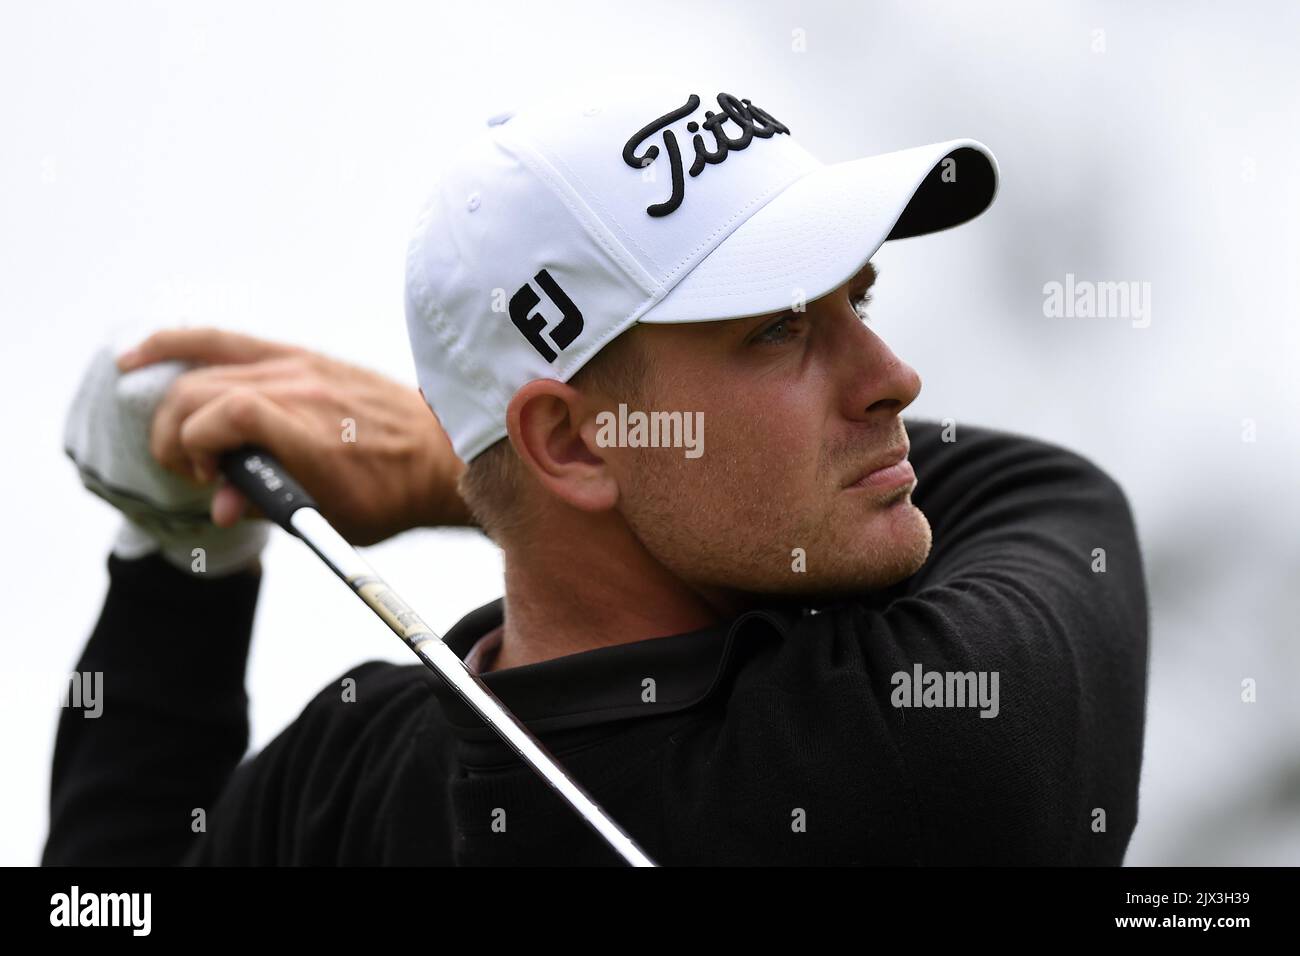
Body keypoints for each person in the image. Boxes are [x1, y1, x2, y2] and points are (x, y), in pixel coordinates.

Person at [43, 83, 1148, 866]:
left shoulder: (349, 779)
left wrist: (179, 550)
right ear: (569, 442)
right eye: (777, 328)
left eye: (858, 302)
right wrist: (448, 471)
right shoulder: (917, 733)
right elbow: (1047, 492)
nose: (894, 377)